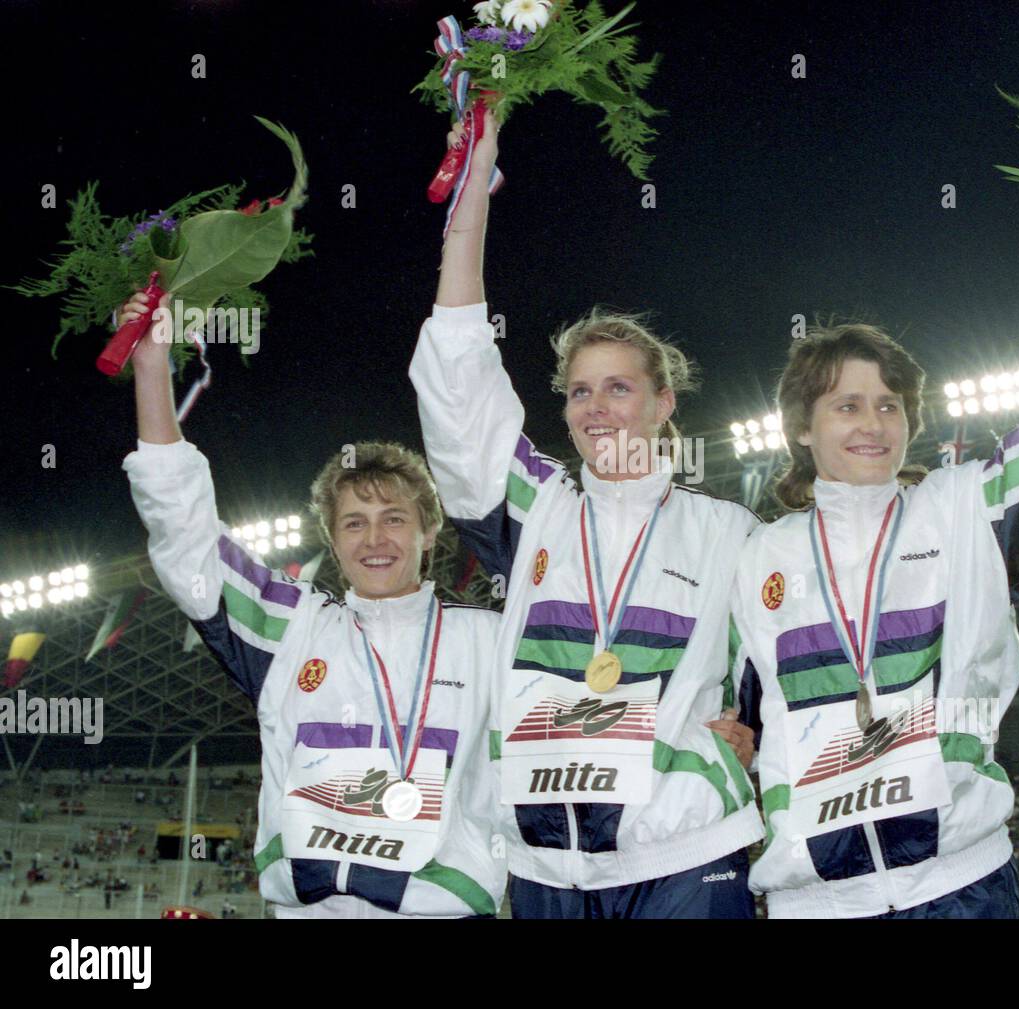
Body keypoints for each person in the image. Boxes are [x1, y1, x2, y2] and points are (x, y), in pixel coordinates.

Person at [730, 181, 1019, 917]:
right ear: (799, 426)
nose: (873, 422)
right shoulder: (755, 557)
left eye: (891, 404)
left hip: (960, 886)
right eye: (847, 404)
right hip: (814, 901)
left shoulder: (963, 509)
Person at [410, 107, 761, 918]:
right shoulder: (538, 507)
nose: (595, 408)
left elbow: (793, 659)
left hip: (684, 858)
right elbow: (460, 387)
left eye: (618, 386)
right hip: (542, 863)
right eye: (577, 391)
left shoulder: (729, 535)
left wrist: (758, 740)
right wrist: (474, 186)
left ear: (664, 402)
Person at [117, 292, 504, 918]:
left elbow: (586, 701)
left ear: (429, 531)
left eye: (393, 519)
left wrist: (718, 725)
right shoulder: (289, 628)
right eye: (353, 523)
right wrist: (153, 369)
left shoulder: (489, 637)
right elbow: (185, 536)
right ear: (331, 538)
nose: (374, 540)